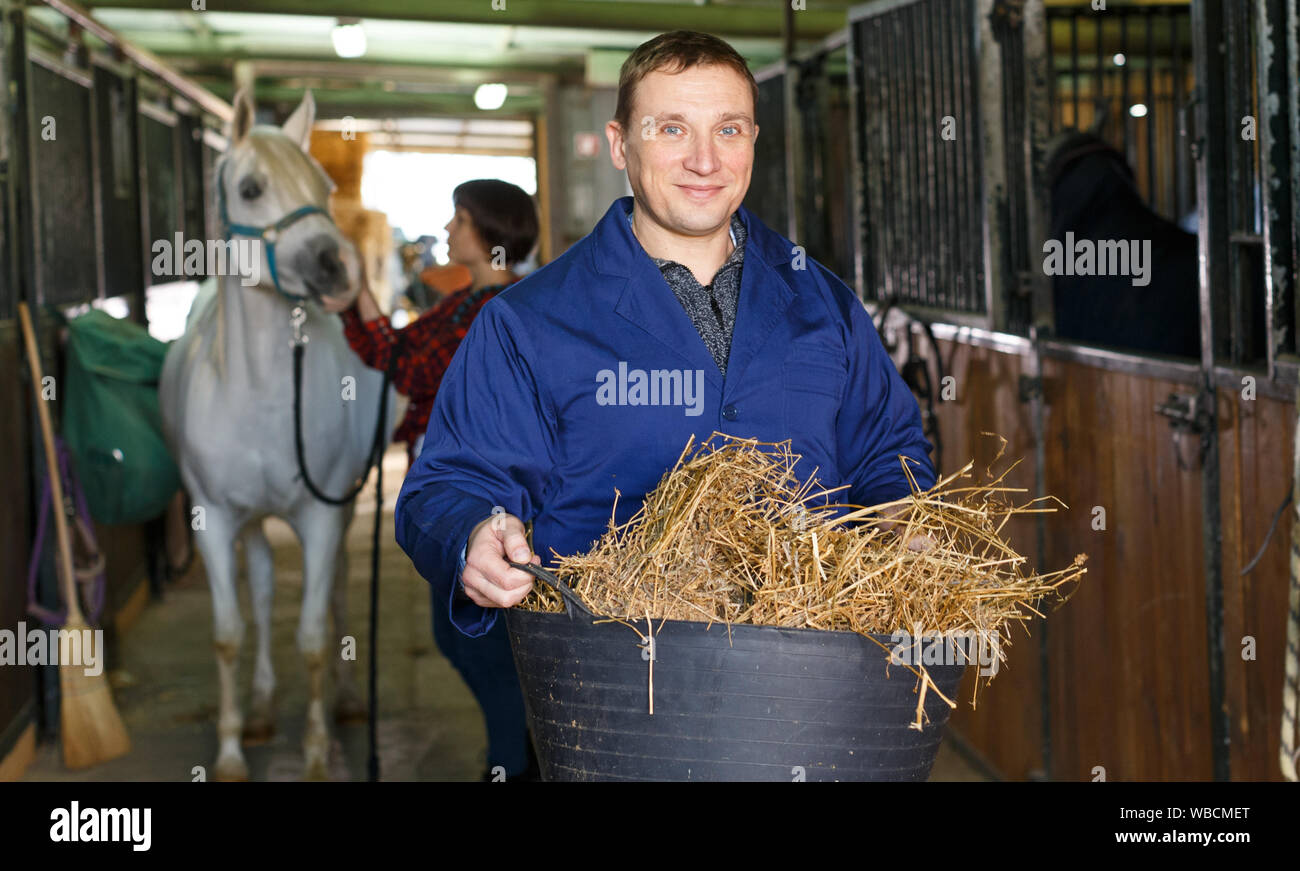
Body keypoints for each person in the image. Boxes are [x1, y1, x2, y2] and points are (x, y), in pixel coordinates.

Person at [395, 31, 935, 648]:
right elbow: (447, 486)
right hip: (610, 678)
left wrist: (902, 519)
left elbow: (885, 452)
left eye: (729, 129)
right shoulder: (529, 321)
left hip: (814, 673)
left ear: (754, 139)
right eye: (672, 129)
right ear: (620, 145)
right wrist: (472, 533)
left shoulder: (825, 303)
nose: (705, 161)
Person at [324, 178, 540, 781]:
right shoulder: (475, 302)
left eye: (459, 220)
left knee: (478, 640)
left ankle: (512, 762)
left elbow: (407, 362)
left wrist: (356, 295)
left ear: (489, 231)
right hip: (465, 500)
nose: (448, 231)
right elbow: (399, 353)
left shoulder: (489, 314)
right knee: (465, 638)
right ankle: (516, 752)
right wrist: (357, 290)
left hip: (482, 498)